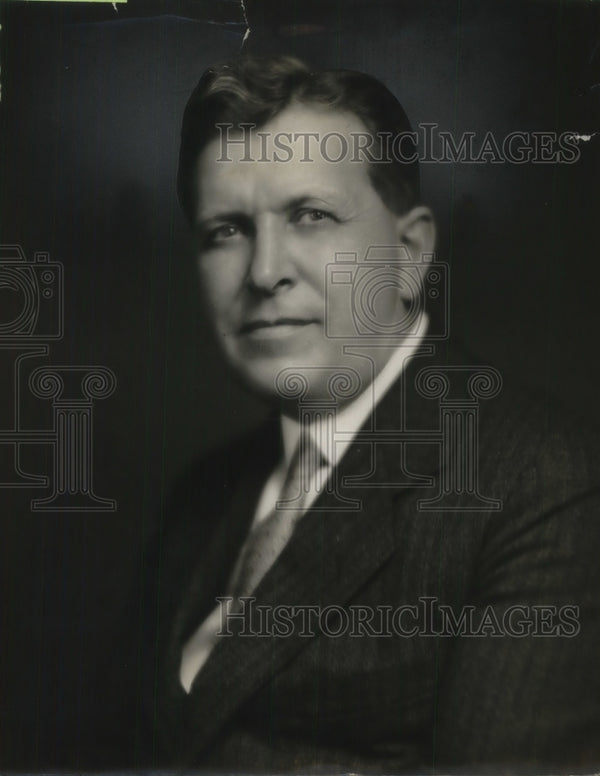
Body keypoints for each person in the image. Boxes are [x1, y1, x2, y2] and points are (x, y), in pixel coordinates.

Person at [137, 55, 600, 772]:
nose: (264, 272)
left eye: (311, 216)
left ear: (411, 254)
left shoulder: (541, 485)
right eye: (225, 230)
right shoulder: (202, 492)